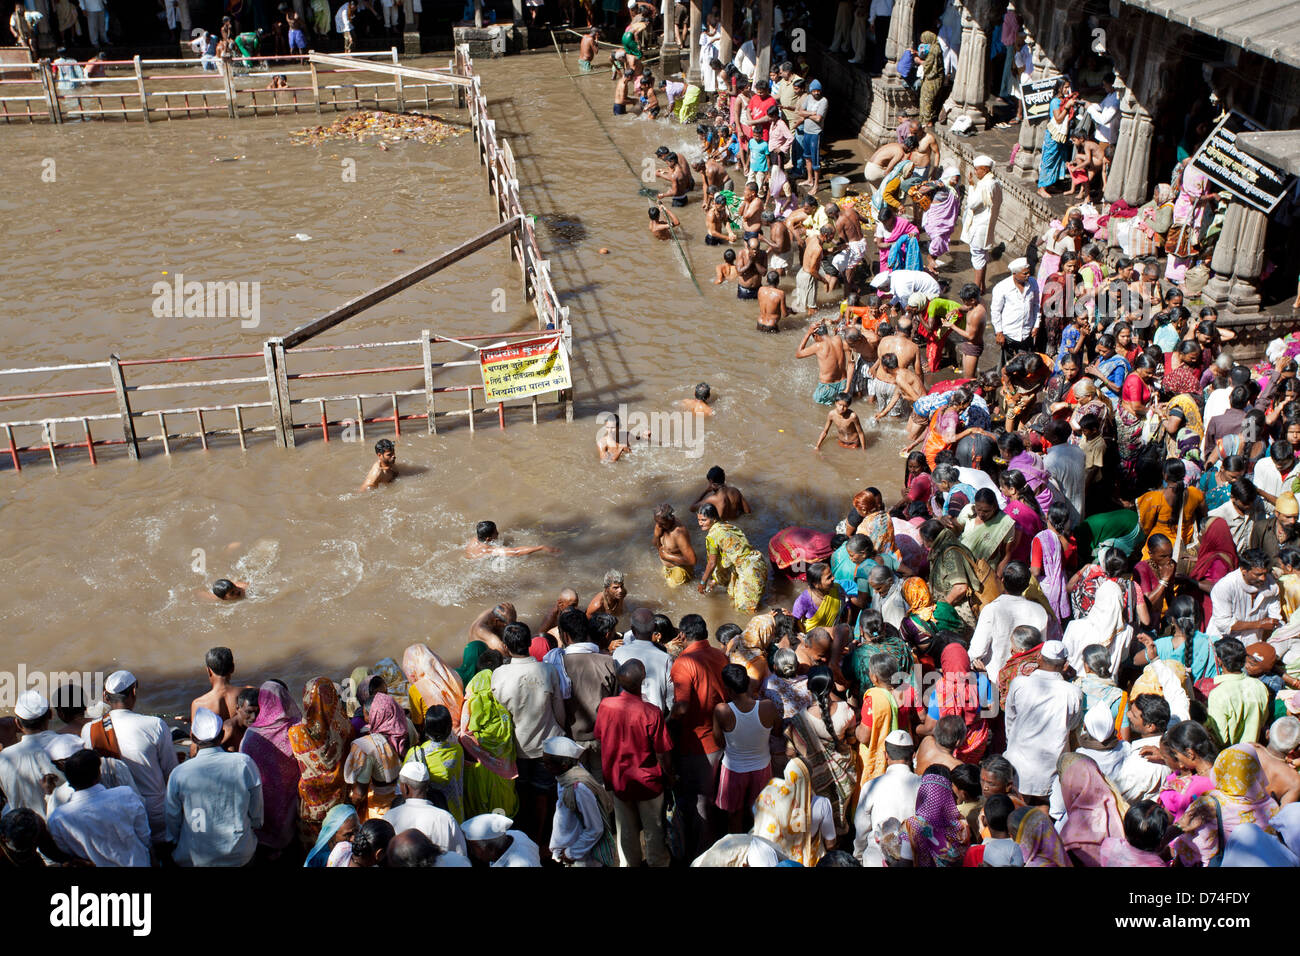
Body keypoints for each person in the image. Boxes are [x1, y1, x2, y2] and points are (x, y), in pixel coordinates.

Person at [80, 671, 178, 844]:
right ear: (133, 692)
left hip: (115, 812)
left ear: (105, 696)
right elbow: (171, 773)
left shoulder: (90, 730)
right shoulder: (155, 725)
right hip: (154, 812)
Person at [491, 622, 565, 843]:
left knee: (520, 794)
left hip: (516, 748)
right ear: (530, 643)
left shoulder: (499, 674)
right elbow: (559, 711)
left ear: (505, 647)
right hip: (547, 744)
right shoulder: (547, 670)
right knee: (543, 795)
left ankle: (520, 837)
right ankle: (541, 838)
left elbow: (500, 716)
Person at [595, 659, 672, 866]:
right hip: (648, 781)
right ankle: (658, 863)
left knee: (625, 831)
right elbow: (663, 752)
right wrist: (671, 775)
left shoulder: (606, 705)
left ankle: (630, 863)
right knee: (654, 829)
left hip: (618, 779)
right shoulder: (651, 712)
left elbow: (600, 735)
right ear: (642, 680)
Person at [165, 707, 263, 866]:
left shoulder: (179, 773)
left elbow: (172, 819)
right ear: (222, 735)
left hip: (197, 857)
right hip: (240, 854)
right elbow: (257, 815)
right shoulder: (243, 763)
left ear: (192, 737)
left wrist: (174, 841)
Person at [670, 613, 727, 858]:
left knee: (700, 803)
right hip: (720, 738)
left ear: (682, 635)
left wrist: (665, 724)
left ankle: (702, 855)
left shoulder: (684, 662)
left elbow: (681, 708)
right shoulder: (721, 655)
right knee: (712, 798)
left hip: (696, 745)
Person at [1004, 641, 1082, 803]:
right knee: (1046, 810)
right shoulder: (1073, 692)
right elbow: (1073, 725)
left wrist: (1012, 743)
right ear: (1064, 664)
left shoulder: (1019, 683)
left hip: (1018, 761)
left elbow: (1010, 719)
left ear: (1039, 658)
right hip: (1051, 766)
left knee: (1017, 808)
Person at [46, 750, 152, 868]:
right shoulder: (125, 795)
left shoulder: (58, 818)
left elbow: (66, 854)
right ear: (98, 775)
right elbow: (144, 835)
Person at [239, 681, 303, 856]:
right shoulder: (297, 728)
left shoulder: (252, 735)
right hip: (291, 798)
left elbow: (244, 769)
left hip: (262, 800)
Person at [544, 735, 615, 866]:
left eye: (548, 763)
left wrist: (572, 852)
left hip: (582, 857)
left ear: (564, 765)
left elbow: (595, 828)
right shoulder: (564, 777)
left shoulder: (579, 787)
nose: (545, 766)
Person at [383, 761, 468, 856]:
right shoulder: (446, 818)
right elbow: (460, 856)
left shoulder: (390, 817)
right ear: (427, 786)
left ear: (406, 787)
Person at [343, 691, 405, 820]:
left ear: (374, 716)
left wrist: (348, 806)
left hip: (380, 811)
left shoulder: (366, 746)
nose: (365, 718)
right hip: (403, 802)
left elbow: (359, 795)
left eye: (366, 714)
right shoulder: (405, 727)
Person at [697, 504, 767, 612]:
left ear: (714, 518)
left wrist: (702, 582)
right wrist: (716, 580)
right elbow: (731, 555)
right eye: (699, 520)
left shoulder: (712, 536)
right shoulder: (726, 526)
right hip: (757, 562)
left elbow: (712, 563)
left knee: (745, 611)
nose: (700, 523)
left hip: (749, 571)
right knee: (733, 598)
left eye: (704, 520)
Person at [404, 705, 465, 822]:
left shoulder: (415, 754)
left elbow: (403, 784)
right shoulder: (458, 751)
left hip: (426, 817)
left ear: (426, 728)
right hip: (454, 816)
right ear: (449, 728)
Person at [1206, 637, 1270, 748]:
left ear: (1219, 661)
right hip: (1253, 752)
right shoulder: (1259, 686)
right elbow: (1263, 720)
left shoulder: (1217, 694)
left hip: (1230, 756)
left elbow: (1221, 738)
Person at [960, 156, 1001, 295]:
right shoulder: (995, 182)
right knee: (982, 256)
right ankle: (981, 286)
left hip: (980, 226)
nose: (975, 172)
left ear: (984, 169)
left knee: (977, 256)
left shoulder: (985, 185)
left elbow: (972, 204)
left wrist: (971, 186)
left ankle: (975, 290)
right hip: (988, 225)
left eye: (977, 169)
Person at [990, 258, 1040, 365]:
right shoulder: (1001, 287)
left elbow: (1036, 305)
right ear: (1015, 273)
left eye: (1028, 272)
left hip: (1027, 332)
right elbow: (995, 311)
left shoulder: (1033, 283)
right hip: (1009, 333)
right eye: (1024, 273)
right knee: (1007, 364)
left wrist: (1036, 325)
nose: (1028, 275)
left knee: (1026, 364)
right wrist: (998, 332)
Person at [796, 319, 852, 406]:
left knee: (817, 410)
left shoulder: (818, 346)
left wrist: (808, 333)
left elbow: (798, 354)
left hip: (827, 387)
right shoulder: (838, 339)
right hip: (843, 384)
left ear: (815, 336)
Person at [463, 812, 542, 867]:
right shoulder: (514, 834)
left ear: (490, 848)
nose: (472, 852)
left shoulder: (518, 865)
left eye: (474, 847)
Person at [466, 520, 561, 558]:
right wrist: (541, 547)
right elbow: (516, 552)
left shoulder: (475, 540)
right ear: (488, 539)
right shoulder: (489, 550)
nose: (498, 533)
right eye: (496, 533)